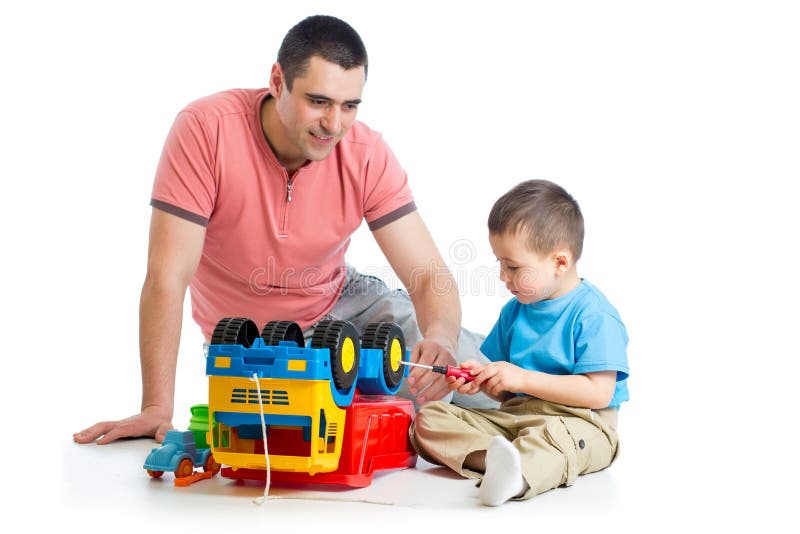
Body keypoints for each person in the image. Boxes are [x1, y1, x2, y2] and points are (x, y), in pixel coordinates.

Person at [74, 15, 495, 446]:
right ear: (278, 81)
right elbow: (167, 275)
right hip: (253, 345)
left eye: (349, 106)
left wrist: (440, 336)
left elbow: (428, 274)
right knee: (349, 433)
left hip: (345, 307)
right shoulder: (206, 129)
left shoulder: (365, 152)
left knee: (484, 382)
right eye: (319, 101)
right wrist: (156, 407)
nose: (334, 124)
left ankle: (533, 365)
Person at [409, 179, 630, 506]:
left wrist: (522, 378)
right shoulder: (514, 312)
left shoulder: (594, 314)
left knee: (553, 443)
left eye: (513, 267)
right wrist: (485, 382)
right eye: (499, 263)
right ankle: (505, 465)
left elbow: (599, 393)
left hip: (579, 424)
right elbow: (507, 394)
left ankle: (518, 471)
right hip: (516, 420)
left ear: (559, 262)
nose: (503, 276)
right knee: (428, 420)